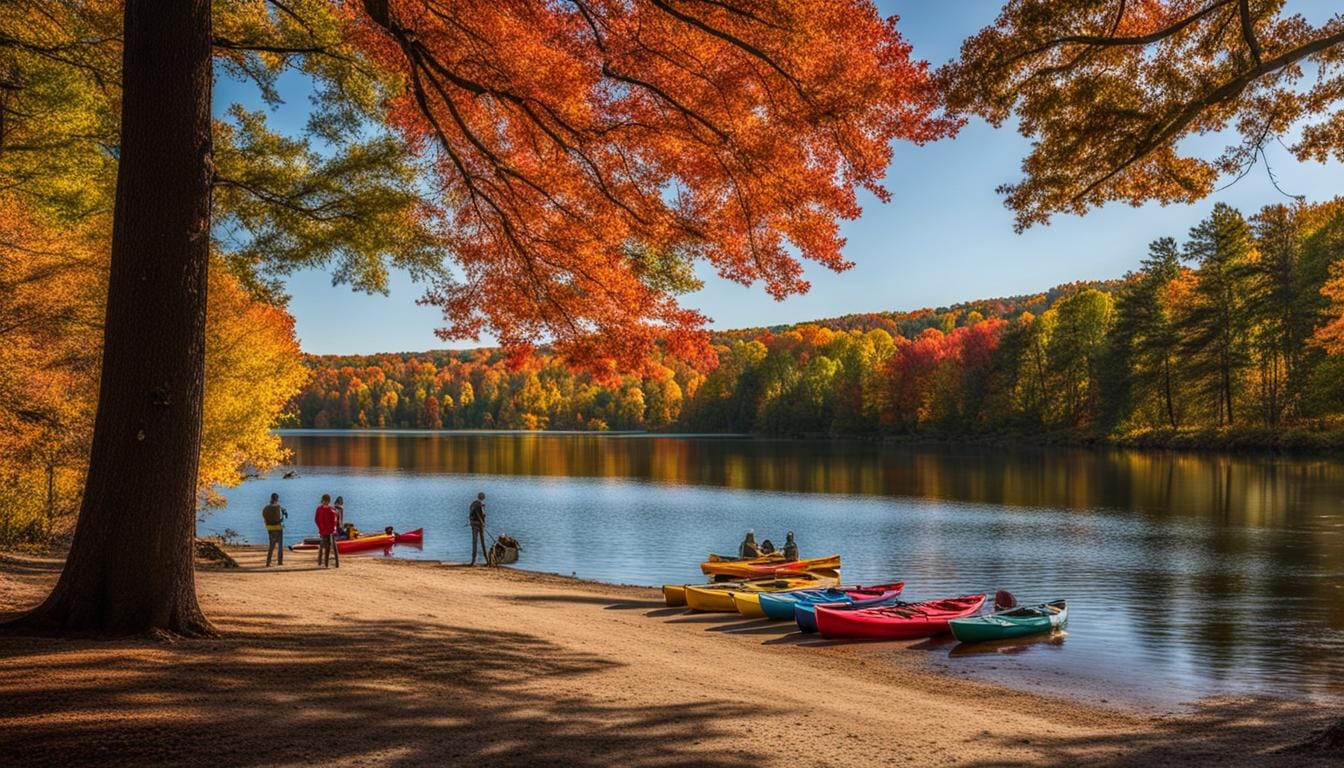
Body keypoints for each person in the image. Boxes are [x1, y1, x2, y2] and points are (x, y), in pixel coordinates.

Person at [315, 494, 340, 568]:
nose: (325, 502)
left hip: (330, 531)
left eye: (326, 501)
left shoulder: (331, 510)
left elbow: (335, 521)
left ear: (328, 501)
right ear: (322, 500)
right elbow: (317, 520)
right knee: (323, 546)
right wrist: (321, 528)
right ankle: (321, 562)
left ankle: (328, 563)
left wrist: (333, 530)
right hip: (323, 531)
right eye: (324, 501)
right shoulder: (319, 509)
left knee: (330, 547)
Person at [262, 493, 287, 567]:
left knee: (271, 546)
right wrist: (283, 516)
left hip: (269, 528)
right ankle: (280, 562)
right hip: (277, 528)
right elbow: (280, 517)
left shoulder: (266, 508)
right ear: (277, 499)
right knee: (280, 546)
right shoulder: (278, 507)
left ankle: (268, 562)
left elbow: (264, 516)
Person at [469, 492, 489, 566]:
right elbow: (481, 515)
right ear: (483, 498)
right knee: (483, 542)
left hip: (473, 524)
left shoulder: (473, 504)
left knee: (474, 542)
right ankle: (487, 560)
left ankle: (473, 561)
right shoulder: (479, 505)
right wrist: (482, 523)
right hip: (479, 525)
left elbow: (472, 514)